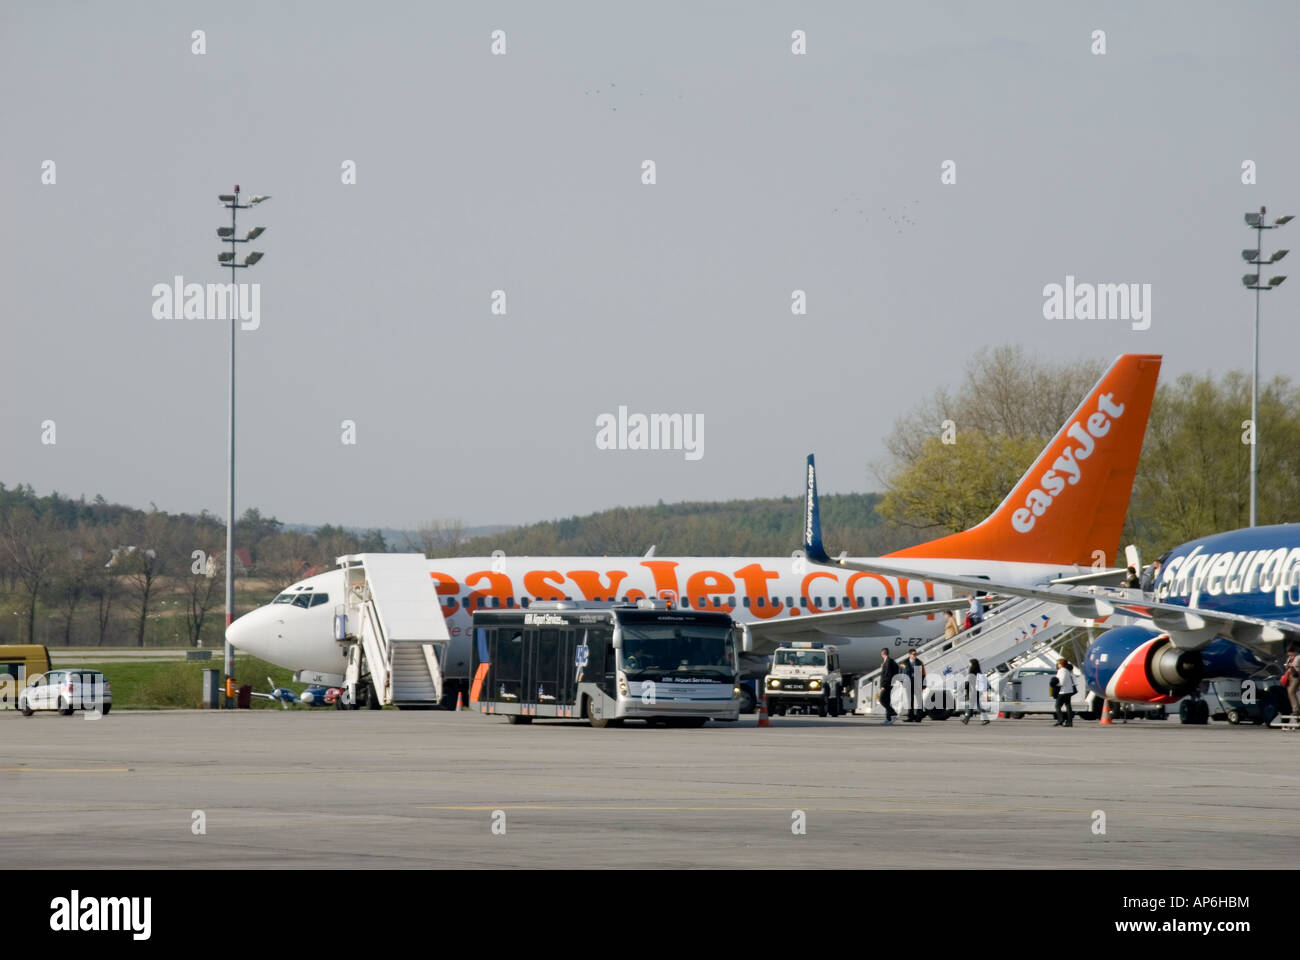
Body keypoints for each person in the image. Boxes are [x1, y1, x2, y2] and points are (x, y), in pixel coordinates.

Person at [962, 659, 990, 725]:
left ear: (972, 664)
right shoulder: (978, 671)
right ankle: (966, 719)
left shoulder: (972, 672)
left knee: (977, 706)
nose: (969, 665)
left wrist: (964, 688)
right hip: (977, 690)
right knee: (974, 705)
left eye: (970, 663)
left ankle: (985, 719)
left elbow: (969, 682)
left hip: (973, 691)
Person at [904, 650, 926, 721]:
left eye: (915, 654)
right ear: (909, 655)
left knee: (919, 701)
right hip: (908, 684)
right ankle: (910, 717)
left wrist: (924, 685)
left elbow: (923, 674)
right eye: (913, 654)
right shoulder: (904, 663)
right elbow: (900, 673)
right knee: (910, 701)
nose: (915, 655)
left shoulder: (919, 663)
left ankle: (919, 717)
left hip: (917, 684)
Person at [1053, 657, 1077, 727]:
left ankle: (1060, 720)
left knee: (1057, 706)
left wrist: (1055, 684)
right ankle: (1069, 722)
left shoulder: (1062, 671)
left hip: (1063, 691)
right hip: (1068, 691)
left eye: (1058, 664)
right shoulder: (1067, 671)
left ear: (1061, 664)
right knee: (1068, 706)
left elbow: (1062, 681)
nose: (1058, 665)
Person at [879, 648, 899, 725]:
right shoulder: (888, 661)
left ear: (883, 654)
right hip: (889, 684)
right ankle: (888, 718)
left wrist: (883, 685)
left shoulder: (888, 662)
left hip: (887, 684)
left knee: (882, 700)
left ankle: (893, 713)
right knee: (887, 701)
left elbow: (888, 675)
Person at [1283, 642, 1300, 716]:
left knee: (1291, 692)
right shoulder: (1289, 658)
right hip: (1290, 676)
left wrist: (1291, 665)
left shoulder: (1298, 657)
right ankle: (1295, 709)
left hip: (1296, 676)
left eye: (1290, 652)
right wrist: (1287, 665)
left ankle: (1296, 710)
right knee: (1290, 693)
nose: (1289, 654)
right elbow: (1287, 667)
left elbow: (1296, 666)